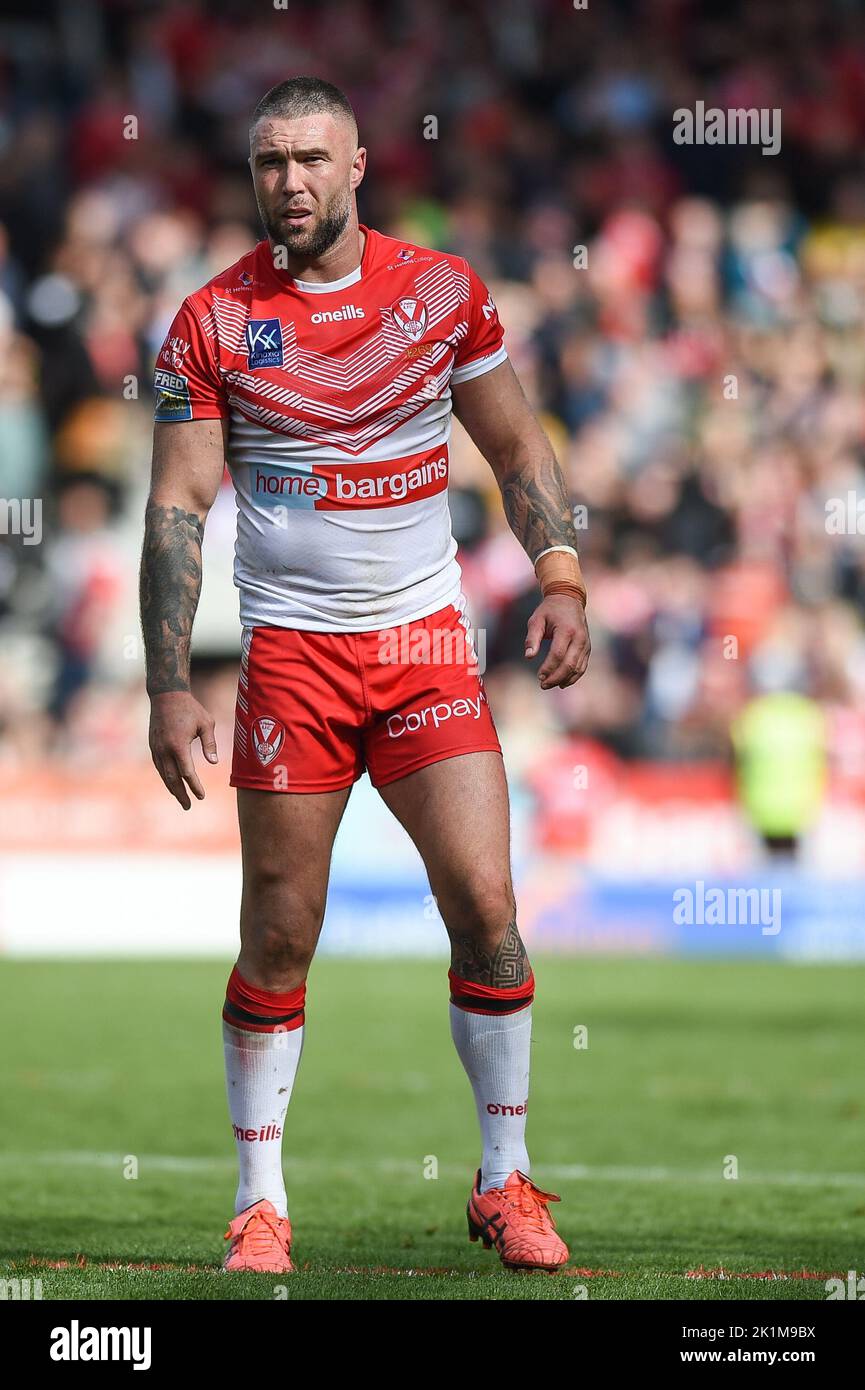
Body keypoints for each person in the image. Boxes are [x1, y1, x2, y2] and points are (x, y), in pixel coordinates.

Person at [139, 76, 590, 1275]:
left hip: (426, 646)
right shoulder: (210, 323)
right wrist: (169, 684)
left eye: (310, 160)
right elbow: (179, 505)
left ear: (358, 167)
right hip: (291, 661)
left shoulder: (440, 294)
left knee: (488, 910)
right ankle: (259, 1203)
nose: (289, 182)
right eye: (268, 163)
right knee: (280, 938)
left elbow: (515, 445)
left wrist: (561, 578)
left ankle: (503, 1183)